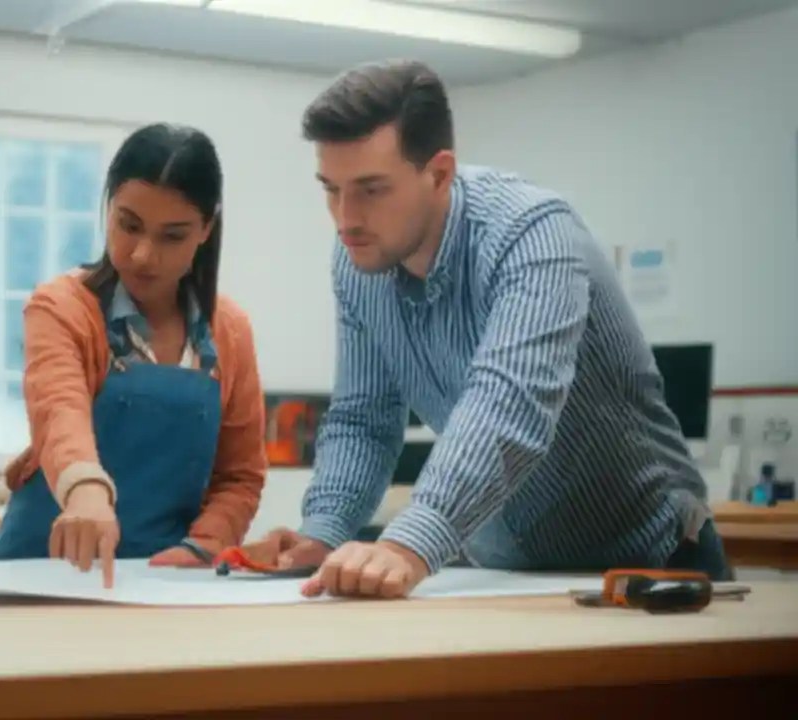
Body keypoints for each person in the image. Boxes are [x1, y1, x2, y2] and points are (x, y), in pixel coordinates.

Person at [245, 59, 729, 598]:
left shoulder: (533, 232)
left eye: (371, 189)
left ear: (440, 172)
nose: (345, 218)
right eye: (331, 189)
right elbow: (364, 416)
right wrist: (323, 533)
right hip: (505, 574)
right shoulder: (361, 258)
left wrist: (408, 543)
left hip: (647, 560)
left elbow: (510, 403)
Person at [0, 123, 267, 587]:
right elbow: (59, 413)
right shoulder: (62, 307)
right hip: (41, 572)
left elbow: (239, 477)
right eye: (128, 225)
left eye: (172, 236)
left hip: (165, 583)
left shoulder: (230, 332)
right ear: (109, 207)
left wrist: (201, 546)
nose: (142, 255)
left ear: (206, 230)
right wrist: (84, 492)